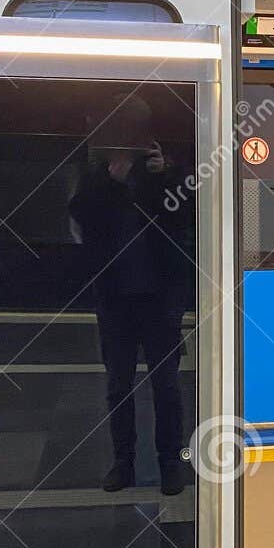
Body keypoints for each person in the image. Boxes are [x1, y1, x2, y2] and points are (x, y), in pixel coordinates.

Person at [69, 98, 192, 496]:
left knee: (166, 384)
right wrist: (110, 182)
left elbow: (183, 218)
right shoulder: (94, 169)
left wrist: (163, 176)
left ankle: (170, 461)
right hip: (115, 295)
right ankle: (123, 462)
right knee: (118, 385)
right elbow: (83, 218)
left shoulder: (164, 166)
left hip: (160, 294)